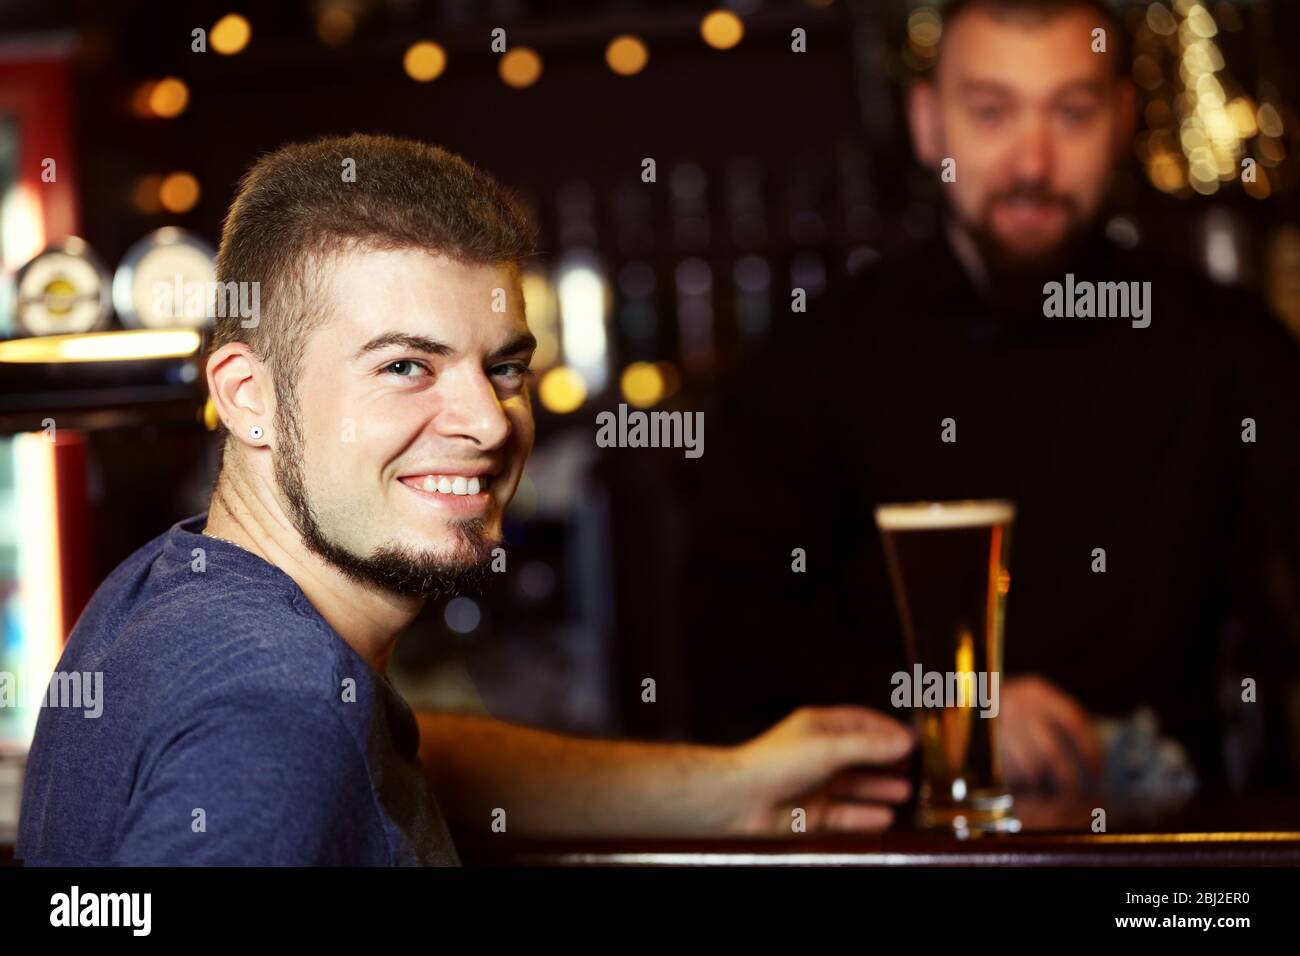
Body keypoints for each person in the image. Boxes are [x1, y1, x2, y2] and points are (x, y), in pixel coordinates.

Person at [15, 134, 917, 866]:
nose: (488, 421)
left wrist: (730, 786)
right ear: (249, 395)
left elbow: (404, 753)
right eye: (407, 365)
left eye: (505, 368)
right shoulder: (281, 704)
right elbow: (292, 740)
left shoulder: (173, 593)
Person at [682, 0, 1300, 796]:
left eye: (1071, 113)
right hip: (902, 847)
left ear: (1120, 120)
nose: (1032, 161)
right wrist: (950, 708)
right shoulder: (814, 359)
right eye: (991, 112)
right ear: (928, 124)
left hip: (1174, 859)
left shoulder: (1228, 344)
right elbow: (724, 645)